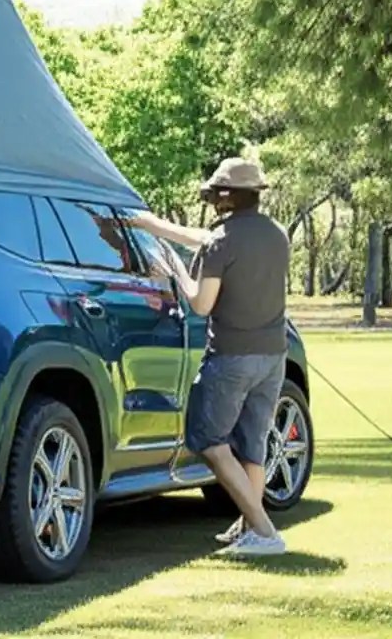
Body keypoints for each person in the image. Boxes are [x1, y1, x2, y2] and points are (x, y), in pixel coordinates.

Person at [129, 157, 290, 557]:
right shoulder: (276, 234)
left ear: (227, 196)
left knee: (209, 439)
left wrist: (174, 271)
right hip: (273, 356)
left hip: (231, 358)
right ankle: (250, 528)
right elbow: (202, 238)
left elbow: (201, 304)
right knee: (252, 444)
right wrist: (151, 225)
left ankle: (265, 531)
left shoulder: (222, 242)